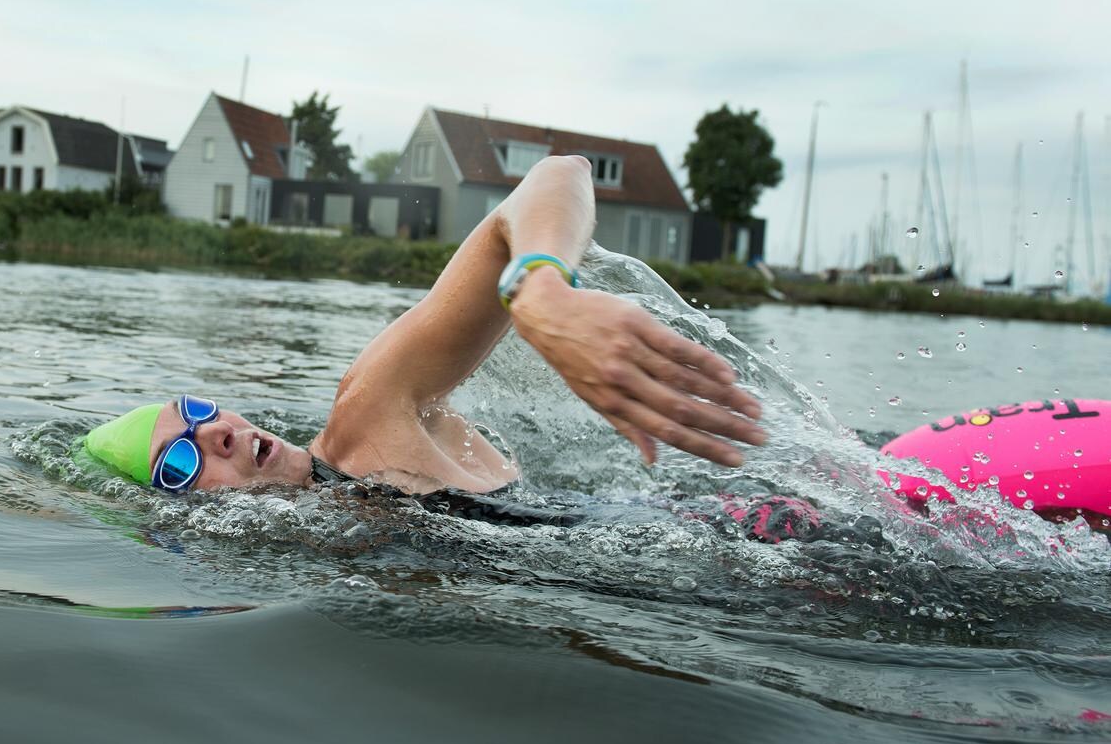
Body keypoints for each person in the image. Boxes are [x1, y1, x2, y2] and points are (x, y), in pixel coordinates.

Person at [80, 155, 767, 497]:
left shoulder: (364, 416)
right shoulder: (337, 527)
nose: (217, 432)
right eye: (179, 463)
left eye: (195, 412)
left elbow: (557, 174)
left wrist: (545, 287)